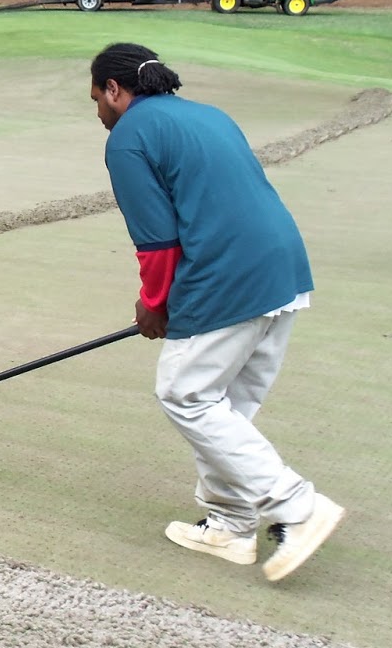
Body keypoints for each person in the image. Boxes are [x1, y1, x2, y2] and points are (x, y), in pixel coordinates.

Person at [90, 41, 344, 583]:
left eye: (96, 100)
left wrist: (153, 306)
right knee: (226, 407)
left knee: (185, 394)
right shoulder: (209, 114)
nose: (97, 114)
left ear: (115, 90)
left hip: (229, 274)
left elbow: (158, 244)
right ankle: (230, 525)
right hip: (283, 267)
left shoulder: (129, 137)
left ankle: (297, 507)